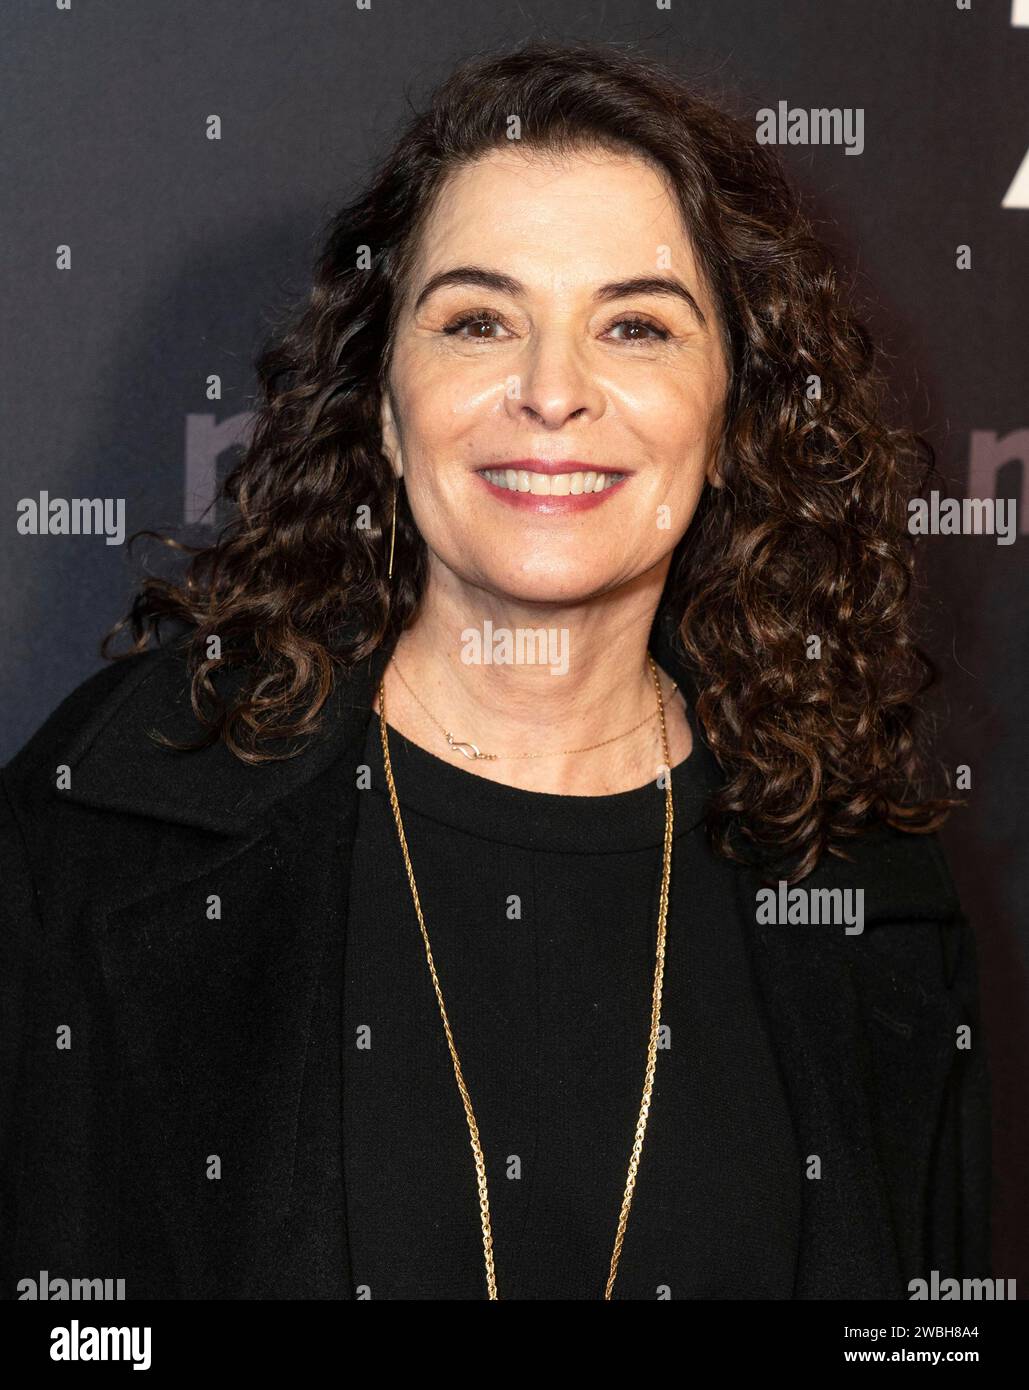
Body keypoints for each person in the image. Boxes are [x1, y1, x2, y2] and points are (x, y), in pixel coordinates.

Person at [0, 39, 990, 1300]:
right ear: (384, 400)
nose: (552, 392)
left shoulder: (866, 879)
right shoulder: (106, 828)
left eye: (635, 325)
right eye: (479, 320)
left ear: (734, 410)